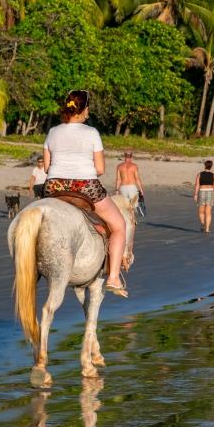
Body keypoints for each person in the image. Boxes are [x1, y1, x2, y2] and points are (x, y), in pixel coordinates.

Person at [43, 90, 130, 297]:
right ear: (85, 109)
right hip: (85, 187)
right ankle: (114, 278)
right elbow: (99, 169)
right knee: (119, 226)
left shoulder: (53, 132)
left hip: (54, 186)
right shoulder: (91, 133)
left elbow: (47, 167)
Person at [114, 151, 145, 227]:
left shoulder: (119, 166)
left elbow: (118, 179)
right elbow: (137, 178)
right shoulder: (134, 166)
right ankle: (133, 219)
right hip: (132, 187)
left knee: (125, 205)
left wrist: (117, 190)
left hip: (123, 187)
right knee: (132, 205)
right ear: (131, 157)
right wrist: (141, 190)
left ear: (124, 156)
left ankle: (126, 220)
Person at [194, 160, 214, 233]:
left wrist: (195, 194)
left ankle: (203, 224)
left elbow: (197, 185)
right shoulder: (213, 175)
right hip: (210, 192)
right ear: (211, 166)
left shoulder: (199, 174)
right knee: (208, 212)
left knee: (201, 211)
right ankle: (207, 229)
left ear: (205, 165)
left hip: (202, 191)